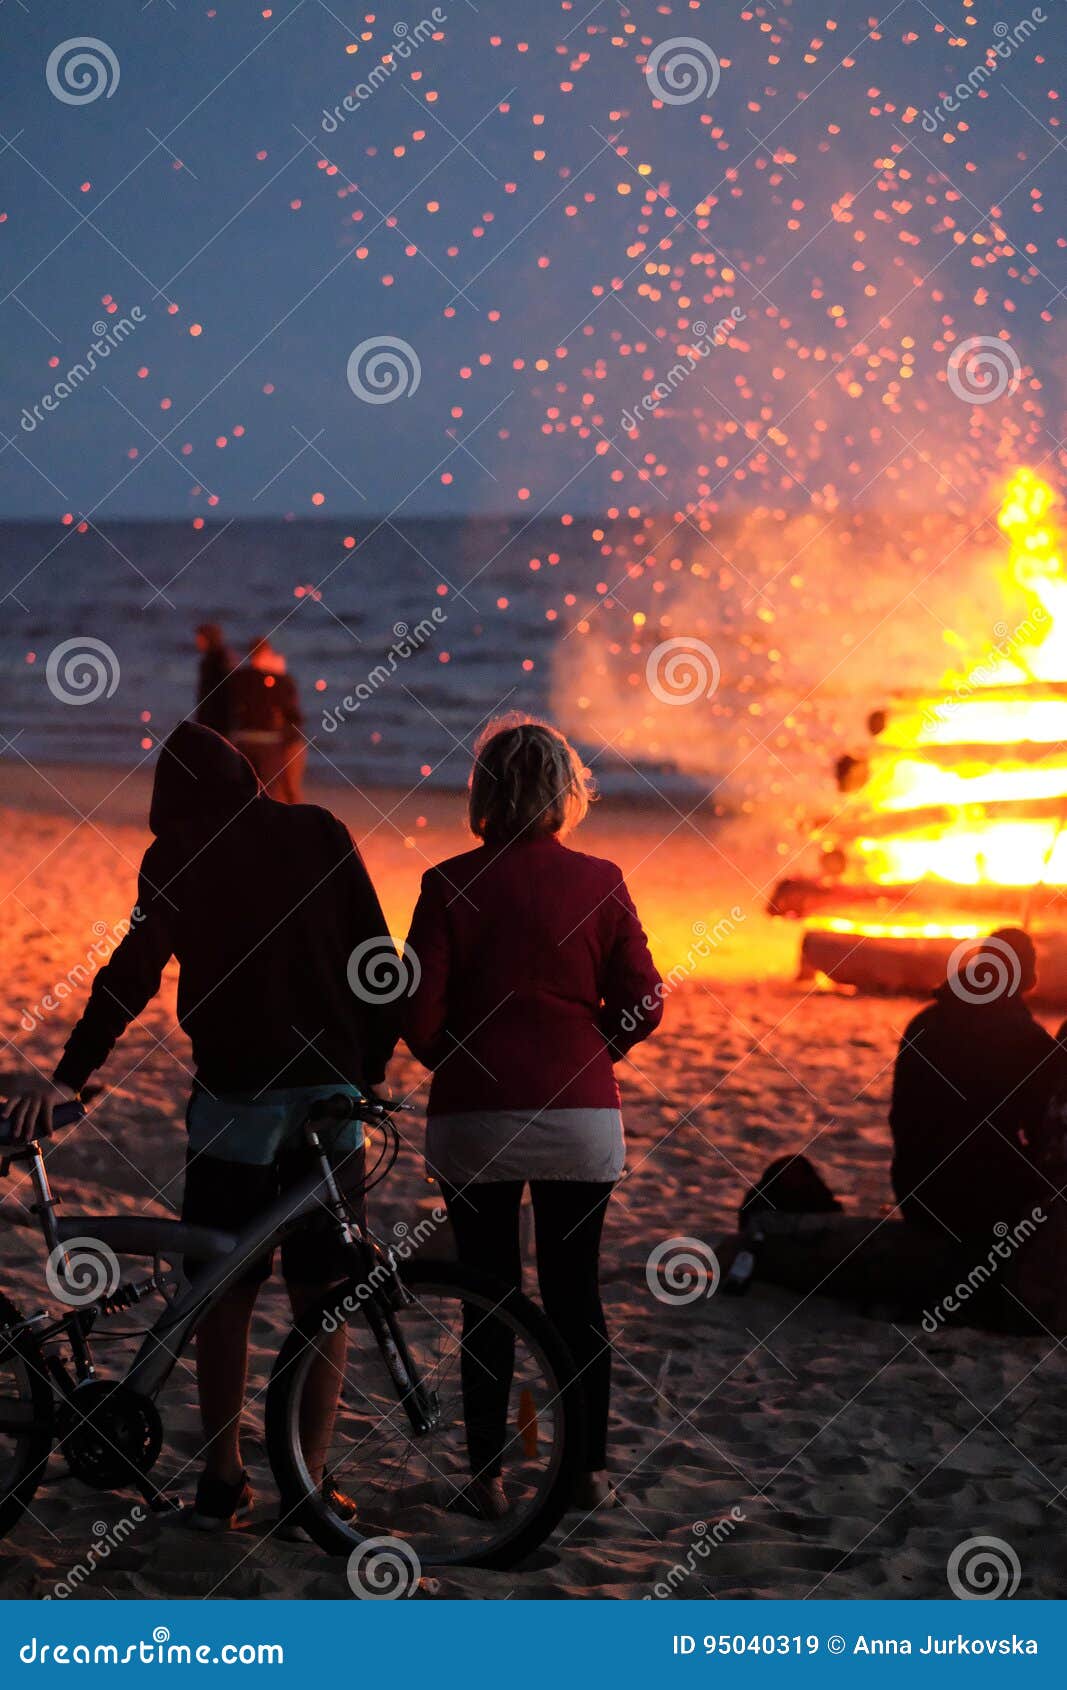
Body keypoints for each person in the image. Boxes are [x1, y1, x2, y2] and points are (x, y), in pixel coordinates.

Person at [2, 721, 398, 1530]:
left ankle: (222, 1481)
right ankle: (310, 1484)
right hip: (329, 1094)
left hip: (234, 1098)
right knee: (324, 1291)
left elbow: (131, 974)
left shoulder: (175, 854)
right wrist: (371, 1068)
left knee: (222, 1290)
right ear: (248, 780)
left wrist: (71, 1074)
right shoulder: (320, 830)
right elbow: (378, 957)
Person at [403, 717, 663, 1517]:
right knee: (574, 1296)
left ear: (484, 792)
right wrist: (594, 1050)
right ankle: (586, 1472)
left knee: (486, 1297)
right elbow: (645, 1000)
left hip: (474, 1116)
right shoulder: (600, 880)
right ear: (565, 793)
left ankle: (487, 1478)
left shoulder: (447, 883)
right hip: (578, 1115)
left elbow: (417, 1014)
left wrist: (456, 1060)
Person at [889, 928, 1060, 1242]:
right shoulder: (1027, 1040)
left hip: (915, 1193)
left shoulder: (924, 1022)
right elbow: (1044, 1135)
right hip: (984, 1199)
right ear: (1028, 979)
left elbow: (901, 1119)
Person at [228, 636, 305, 803]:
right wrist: (282, 676)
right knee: (269, 792)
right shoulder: (278, 680)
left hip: (242, 740)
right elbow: (292, 712)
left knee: (246, 791)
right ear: (267, 653)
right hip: (268, 742)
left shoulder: (237, 677)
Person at [194, 623, 235, 738]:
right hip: (223, 719)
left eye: (200, 638)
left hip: (215, 719)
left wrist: (201, 721)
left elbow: (208, 695)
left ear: (208, 639)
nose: (197, 642)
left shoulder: (213, 662)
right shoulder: (224, 658)